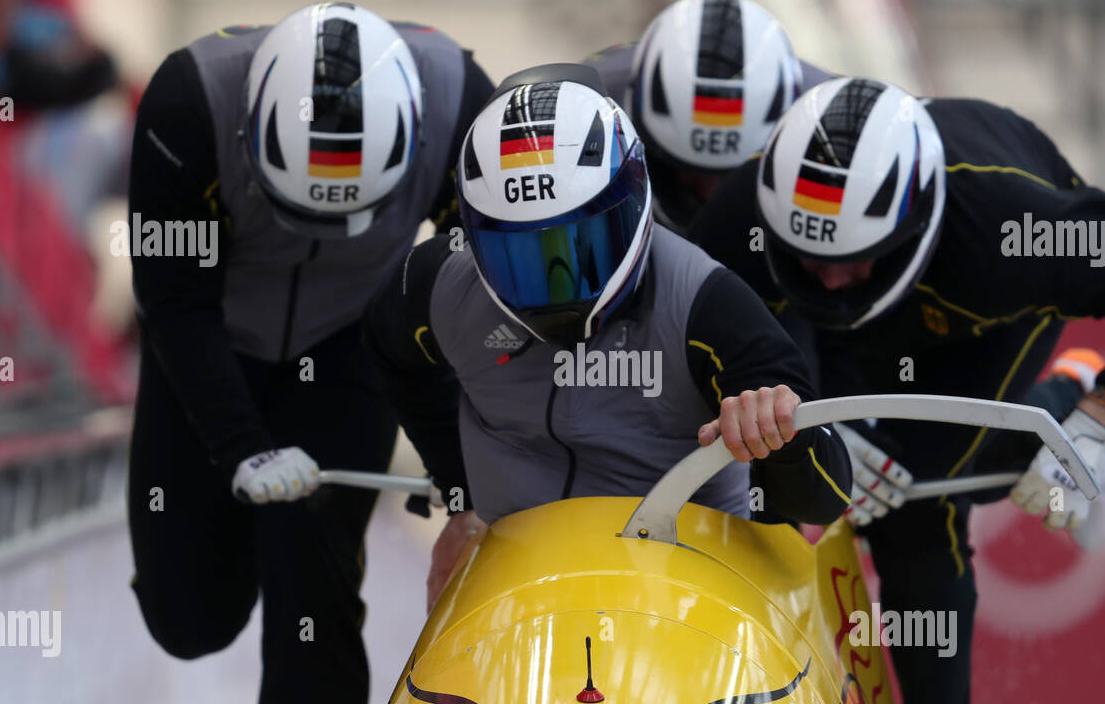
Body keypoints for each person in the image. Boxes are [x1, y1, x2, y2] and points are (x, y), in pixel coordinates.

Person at [689, 76, 1105, 704]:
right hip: (817, 330)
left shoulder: (1014, 228)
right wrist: (816, 415)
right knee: (826, 467)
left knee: (911, 494)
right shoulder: (747, 217)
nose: (830, 274)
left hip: (979, 317)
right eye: (806, 252)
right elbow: (703, 332)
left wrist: (1101, 416)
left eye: (855, 256)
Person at [125, 1, 493, 704]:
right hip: (214, 338)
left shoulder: (465, 108)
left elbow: (479, 298)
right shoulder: (185, 108)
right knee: (189, 618)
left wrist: (469, 474)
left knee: (314, 592)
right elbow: (173, 303)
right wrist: (241, 445)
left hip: (352, 350)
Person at [362, 64, 853, 610]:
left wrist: (782, 435)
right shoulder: (434, 287)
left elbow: (826, 495)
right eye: (523, 255)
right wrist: (460, 497)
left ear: (632, 201)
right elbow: (391, 351)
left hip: (683, 597)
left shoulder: (706, 305)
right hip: (515, 596)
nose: (557, 282)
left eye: (580, 247)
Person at [583, 0, 833, 234]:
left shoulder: (827, 118)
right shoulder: (589, 99)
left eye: (728, 175)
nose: (708, 194)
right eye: (687, 169)